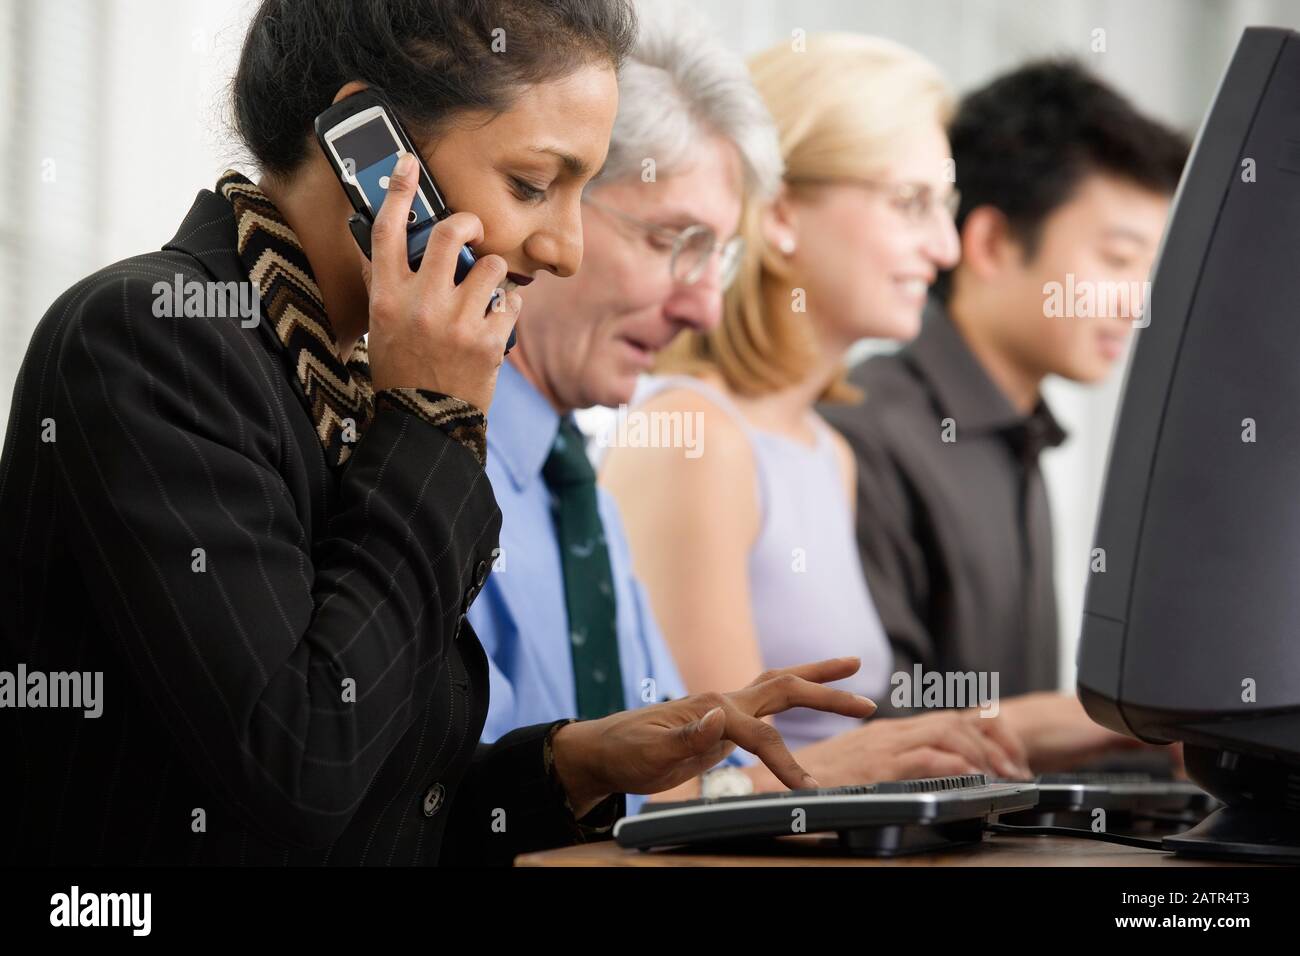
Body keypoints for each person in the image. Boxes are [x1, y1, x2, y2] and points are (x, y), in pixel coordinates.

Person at [0, 0, 873, 867]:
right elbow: (299, 772)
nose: (564, 248)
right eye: (534, 185)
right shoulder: (154, 335)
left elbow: (387, 806)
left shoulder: (343, 379)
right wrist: (427, 419)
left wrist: (572, 765)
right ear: (372, 145)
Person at [602, 34, 1034, 788]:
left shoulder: (823, 448)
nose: (944, 248)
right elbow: (693, 787)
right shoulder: (696, 438)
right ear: (780, 213)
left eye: (948, 209)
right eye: (910, 204)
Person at [819, 61, 1188, 764]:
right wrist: (1120, 717)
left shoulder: (1021, 434)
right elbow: (873, 735)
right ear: (989, 243)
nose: (1138, 302)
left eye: (1153, 270)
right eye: (1117, 258)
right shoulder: (865, 431)